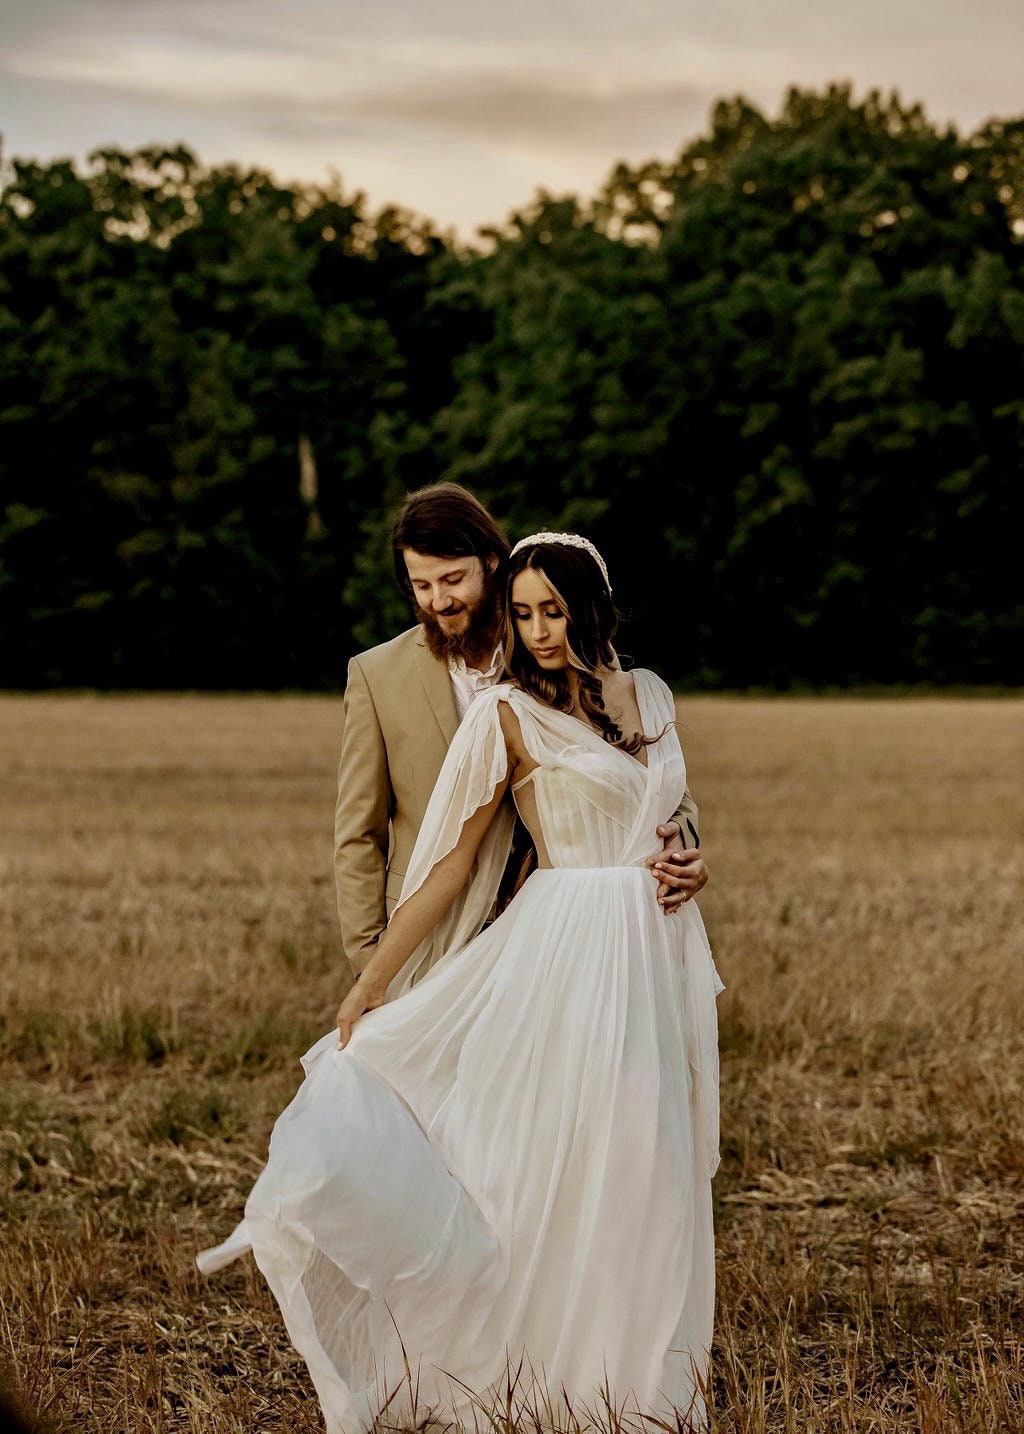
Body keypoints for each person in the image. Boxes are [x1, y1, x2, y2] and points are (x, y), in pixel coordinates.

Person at [198, 533, 723, 1433]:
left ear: (594, 603)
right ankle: (537, 1371)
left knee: (652, 1163)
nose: (538, 630)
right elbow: (446, 865)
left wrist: (694, 863)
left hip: (654, 951)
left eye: (553, 610)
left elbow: (670, 819)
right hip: (570, 949)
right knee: (572, 1159)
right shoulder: (507, 715)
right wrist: (372, 981)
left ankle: (642, 1389)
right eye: (521, 614)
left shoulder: (653, 697)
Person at [334, 481, 707, 977]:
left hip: (552, 936)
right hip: (432, 938)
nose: (437, 601)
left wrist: (680, 844)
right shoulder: (375, 676)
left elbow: (651, 782)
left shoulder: (560, 655)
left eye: (451, 580)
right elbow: (359, 831)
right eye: (420, 586)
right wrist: (368, 959)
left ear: (491, 562)